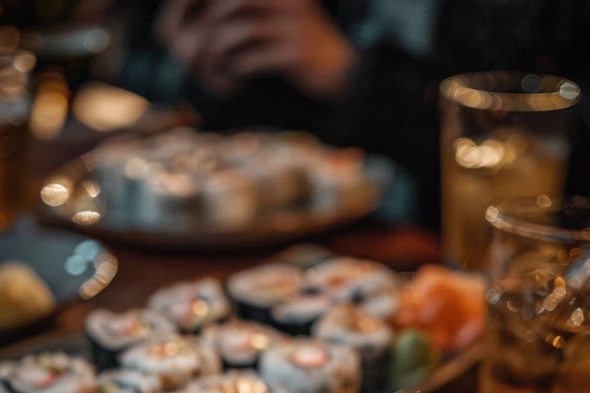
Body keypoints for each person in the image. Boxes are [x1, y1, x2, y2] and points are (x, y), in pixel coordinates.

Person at [112, 0, 590, 227]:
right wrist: (204, 63)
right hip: (258, 232)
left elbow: (560, 141)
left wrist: (355, 77)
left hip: (503, 259)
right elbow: (129, 63)